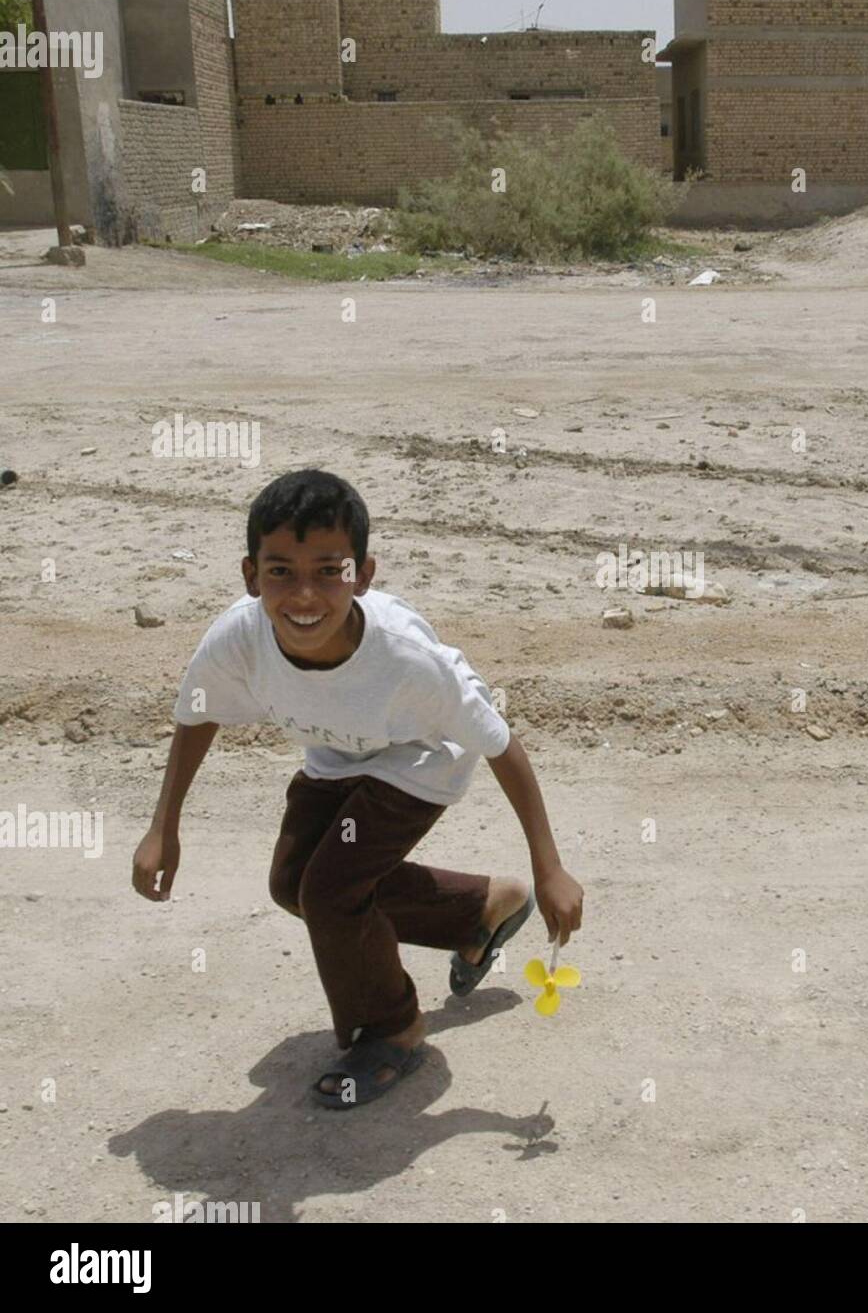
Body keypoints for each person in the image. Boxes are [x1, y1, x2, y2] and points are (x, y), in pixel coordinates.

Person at [132, 469, 583, 1105]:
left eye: (329, 570)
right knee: (295, 886)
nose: (305, 594)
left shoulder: (408, 662)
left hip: (419, 761)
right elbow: (198, 712)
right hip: (339, 752)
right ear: (251, 574)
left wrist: (551, 866)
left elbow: (504, 747)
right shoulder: (238, 637)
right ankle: (480, 909)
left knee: (333, 888)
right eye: (281, 571)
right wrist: (163, 826)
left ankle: (394, 1028)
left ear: (362, 576)